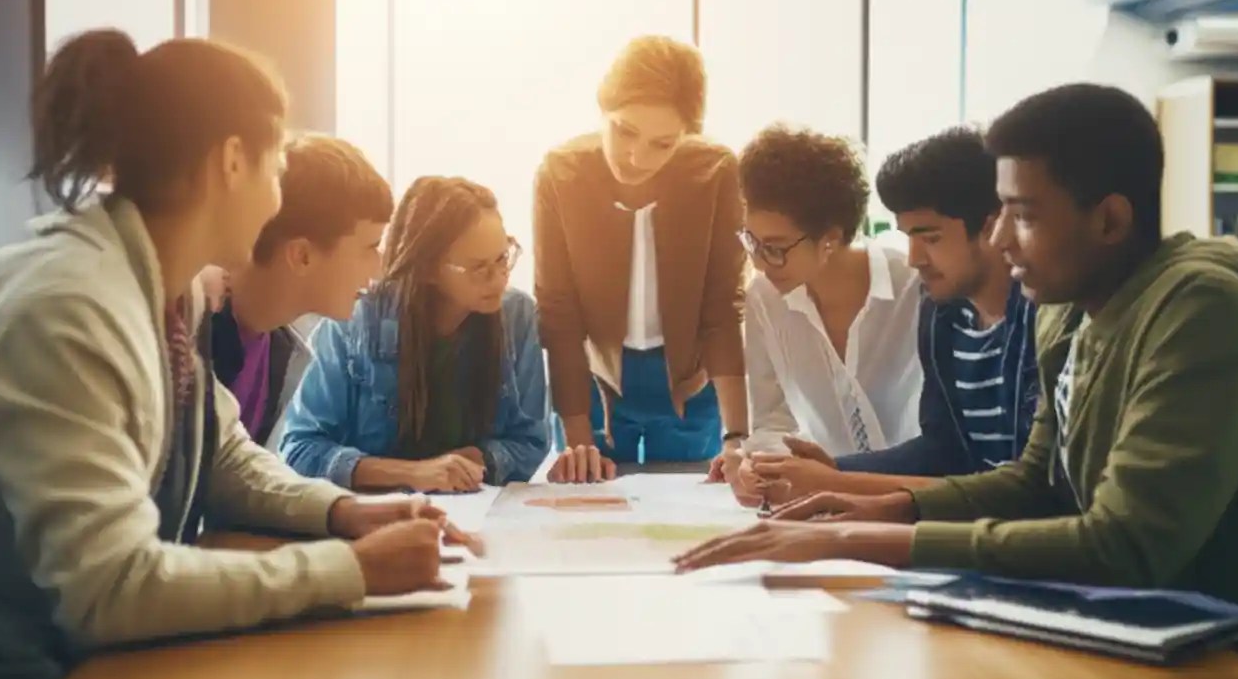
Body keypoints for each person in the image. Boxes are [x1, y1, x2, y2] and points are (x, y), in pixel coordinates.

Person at [674, 83, 1238, 663]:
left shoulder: (1199, 306)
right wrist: (867, 505)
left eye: (1022, 216)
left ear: (1110, 220)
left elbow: (1125, 544)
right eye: (999, 215)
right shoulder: (1072, 310)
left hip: (1217, 651)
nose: (1002, 241)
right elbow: (1033, 482)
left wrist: (847, 538)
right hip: (1117, 627)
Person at [0, 29, 472, 679]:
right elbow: (107, 589)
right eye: (277, 168)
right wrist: (351, 571)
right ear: (232, 162)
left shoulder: (173, 289)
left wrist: (343, 511)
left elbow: (222, 454)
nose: (280, 197)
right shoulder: (72, 307)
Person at [747, 128, 1038, 500]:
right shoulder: (943, 317)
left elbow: (1029, 490)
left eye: (930, 238)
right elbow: (942, 450)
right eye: (908, 238)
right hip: (970, 530)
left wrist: (840, 484)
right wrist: (832, 470)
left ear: (991, 226)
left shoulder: (1040, 319)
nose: (915, 259)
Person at [534, 35, 748, 483]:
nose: (636, 157)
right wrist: (578, 438)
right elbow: (559, 312)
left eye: (663, 143)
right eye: (624, 131)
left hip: (692, 380)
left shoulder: (716, 172)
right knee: (591, 512)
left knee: (691, 513)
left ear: (687, 135)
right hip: (592, 383)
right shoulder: (560, 172)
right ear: (602, 109)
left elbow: (722, 307)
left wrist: (737, 438)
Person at [281, 176, 549, 491]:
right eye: (479, 268)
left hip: (477, 514)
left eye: (503, 257)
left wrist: (477, 460)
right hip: (371, 518)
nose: (500, 278)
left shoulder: (517, 315)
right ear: (428, 269)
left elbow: (531, 441)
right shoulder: (353, 319)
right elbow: (300, 449)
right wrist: (413, 474)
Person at [724, 125, 923, 505]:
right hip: (819, 502)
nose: (760, 263)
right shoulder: (764, 298)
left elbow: (943, 436)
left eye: (776, 247)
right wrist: (760, 467)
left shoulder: (914, 287)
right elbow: (772, 421)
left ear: (829, 239)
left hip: (911, 498)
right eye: (752, 241)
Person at [204, 134, 393, 451]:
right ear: (302, 256)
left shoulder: (286, 350)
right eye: (370, 247)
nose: (379, 269)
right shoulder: (192, 328)